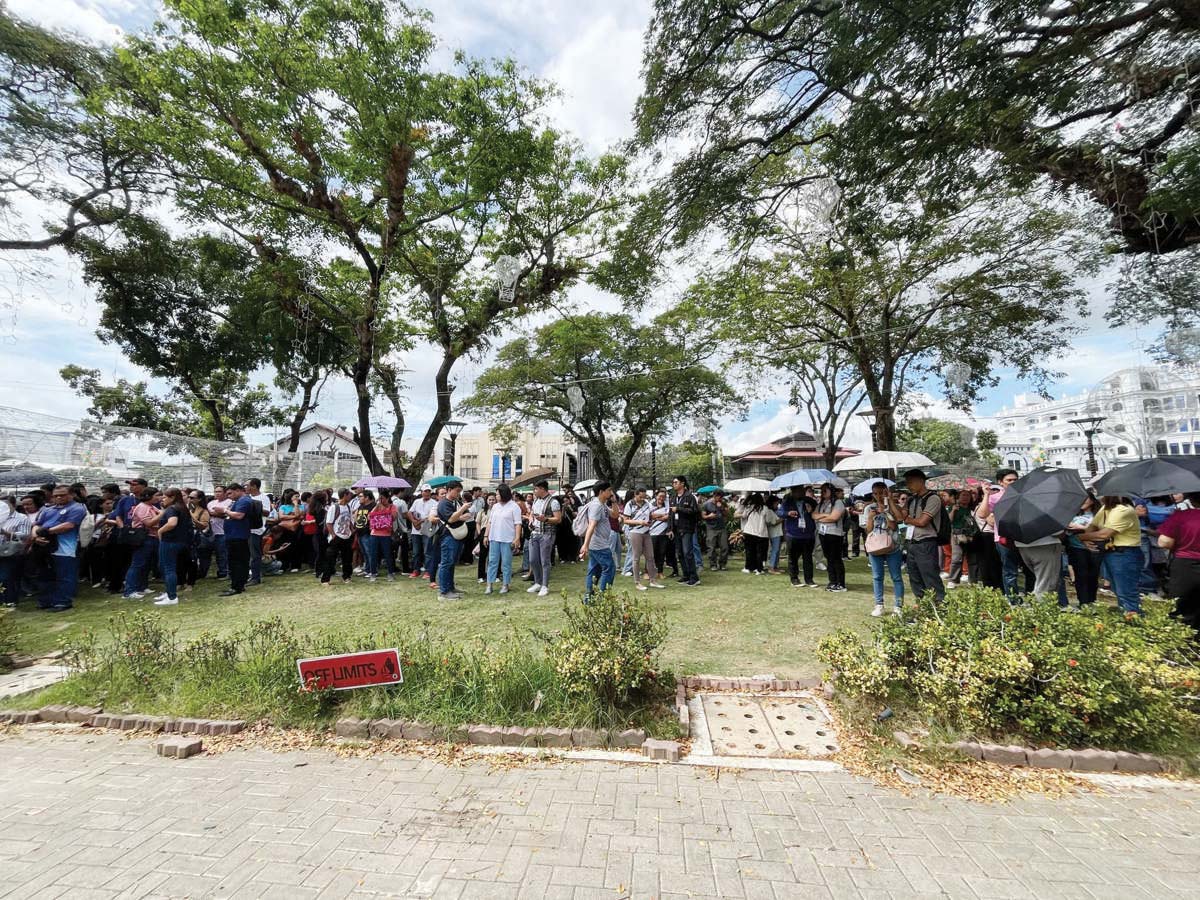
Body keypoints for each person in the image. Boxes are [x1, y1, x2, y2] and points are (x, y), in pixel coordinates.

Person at [1077, 495, 1143, 615]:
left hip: (1125, 553)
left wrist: (1080, 537)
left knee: (1126, 591)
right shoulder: (1105, 508)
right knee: (1117, 589)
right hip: (1111, 552)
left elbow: (1104, 534)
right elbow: (1093, 526)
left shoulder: (1123, 510)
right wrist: (1086, 539)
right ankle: (1126, 615)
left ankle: (1134, 617)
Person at [890, 469, 946, 604]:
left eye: (910, 482)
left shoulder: (933, 498)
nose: (908, 485)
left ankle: (939, 605)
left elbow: (922, 522)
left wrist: (907, 520)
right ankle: (921, 605)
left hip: (926, 542)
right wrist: (890, 500)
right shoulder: (911, 499)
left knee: (930, 577)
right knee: (915, 577)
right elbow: (900, 517)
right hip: (912, 543)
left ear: (921, 481)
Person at [31, 484, 87, 611]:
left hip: (65, 548)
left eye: (62, 495)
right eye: (56, 496)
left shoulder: (77, 508)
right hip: (44, 546)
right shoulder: (48, 509)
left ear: (71, 495)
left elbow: (69, 525)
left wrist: (46, 531)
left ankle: (62, 602)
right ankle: (46, 601)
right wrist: (35, 536)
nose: (59, 498)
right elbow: (36, 525)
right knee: (45, 576)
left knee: (65, 577)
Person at [977, 469, 1021, 601]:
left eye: (1015, 480)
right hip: (1004, 538)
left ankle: (1031, 597)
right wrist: (986, 495)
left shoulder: (1023, 495)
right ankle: (1013, 599)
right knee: (1010, 570)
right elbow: (982, 514)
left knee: (1028, 570)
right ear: (1000, 482)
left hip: (1024, 537)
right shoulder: (995, 497)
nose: (1013, 482)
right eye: (1009, 480)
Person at [861, 482, 904, 616]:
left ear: (886, 492)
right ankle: (879, 605)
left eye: (881, 493)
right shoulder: (869, 508)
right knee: (877, 576)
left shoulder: (893, 507)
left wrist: (885, 512)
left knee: (896, 577)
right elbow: (868, 530)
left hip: (893, 546)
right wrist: (871, 517)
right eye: (875, 493)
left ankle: (898, 607)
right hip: (875, 546)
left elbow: (895, 526)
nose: (878, 496)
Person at [1159, 494, 1200, 630]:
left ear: (1192, 499)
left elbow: (1164, 542)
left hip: (1185, 565)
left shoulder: (1181, 516)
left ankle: (1184, 638)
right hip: (1186, 563)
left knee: (1182, 607)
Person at [151, 488, 193, 606]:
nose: (162, 499)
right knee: (168, 567)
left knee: (168, 568)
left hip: (170, 542)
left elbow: (172, 523)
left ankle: (172, 597)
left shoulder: (172, 509)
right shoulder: (183, 508)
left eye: (165, 497)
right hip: (182, 542)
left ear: (173, 497)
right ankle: (169, 591)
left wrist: (160, 530)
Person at [121, 488, 161, 600]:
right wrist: (162, 514)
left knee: (146, 564)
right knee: (137, 564)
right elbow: (149, 523)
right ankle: (129, 591)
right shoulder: (142, 507)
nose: (158, 498)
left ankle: (142, 586)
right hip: (144, 538)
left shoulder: (152, 507)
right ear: (148, 496)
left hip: (153, 537)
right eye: (156, 495)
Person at [483, 483, 523, 595]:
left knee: (506, 563)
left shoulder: (514, 506)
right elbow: (490, 522)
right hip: (494, 538)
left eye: (498, 494)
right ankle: (489, 584)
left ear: (504, 494)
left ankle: (505, 584)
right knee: (492, 562)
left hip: (507, 539)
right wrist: (486, 535)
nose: (496, 496)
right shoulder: (495, 506)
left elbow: (518, 524)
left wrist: (517, 538)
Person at [580, 481, 616, 600]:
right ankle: (603, 597)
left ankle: (589, 598)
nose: (611, 493)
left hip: (598, 543)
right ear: (601, 492)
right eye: (609, 490)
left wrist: (614, 502)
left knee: (594, 571)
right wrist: (585, 545)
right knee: (609, 568)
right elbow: (591, 525)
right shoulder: (596, 506)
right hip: (599, 545)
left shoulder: (602, 504)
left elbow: (615, 515)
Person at [622, 487, 664, 591]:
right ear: (635, 495)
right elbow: (626, 520)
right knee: (636, 558)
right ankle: (637, 582)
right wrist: (639, 522)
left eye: (644, 497)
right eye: (640, 497)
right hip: (635, 532)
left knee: (650, 557)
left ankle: (653, 580)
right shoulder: (630, 504)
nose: (642, 499)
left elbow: (650, 515)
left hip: (646, 532)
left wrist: (659, 516)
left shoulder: (647, 503)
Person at [434, 481, 471, 601]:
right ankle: (444, 591)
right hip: (448, 536)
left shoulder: (456, 502)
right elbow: (450, 519)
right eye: (457, 491)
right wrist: (462, 511)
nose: (458, 494)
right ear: (449, 490)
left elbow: (466, 515)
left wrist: (460, 515)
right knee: (446, 563)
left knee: (452, 563)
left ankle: (450, 588)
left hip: (456, 536)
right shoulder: (443, 503)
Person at [1065, 493, 1101, 607]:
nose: (1083, 501)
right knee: (1081, 576)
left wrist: (1081, 528)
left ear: (1092, 500)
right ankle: (1083, 602)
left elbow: (1103, 529)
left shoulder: (1098, 514)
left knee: (1093, 576)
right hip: (1076, 548)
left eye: (1086, 498)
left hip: (1094, 548)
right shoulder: (1072, 514)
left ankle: (1091, 600)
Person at [778, 487, 817, 587]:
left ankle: (809, 580)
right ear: (793, 492)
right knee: (793, 558)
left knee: (808, 558)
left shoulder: (810, 501)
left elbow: (817, 510)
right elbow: (780, 513)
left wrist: (811, 509)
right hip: (793, 534)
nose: (801, 493)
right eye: (798, 491)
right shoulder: (787, 502)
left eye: (802, 491)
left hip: (808, 534)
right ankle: (794, 579)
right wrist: (788, 513)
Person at [528, 481, 560, 597]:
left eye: (536, 489)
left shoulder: (553, 502)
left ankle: (545, 585)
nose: (534, 491)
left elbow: (558, 519)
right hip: (535, 533)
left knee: (545, 561)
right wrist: (531, 520)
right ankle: (538, 582)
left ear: (542, 489)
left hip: (547, 533)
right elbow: (531, 513)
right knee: (533, 560)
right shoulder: (536, 500)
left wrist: (545, 519)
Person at [220, 483, 254, 596]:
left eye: (230, 493)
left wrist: (225, 510)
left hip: (238, 536)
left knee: (237, 562)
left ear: (238, 490)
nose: (229, 496)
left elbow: (239, 515)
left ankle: (237, 586)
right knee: (237, 561)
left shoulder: (244, 501)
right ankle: (239, 584)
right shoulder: (238, 501)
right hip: (234, 535)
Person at [814, 484, 847, 592]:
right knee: (829, 558)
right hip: (823, 533)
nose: (823, 493)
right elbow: (814, 515)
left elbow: (834, 517)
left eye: (825, 490)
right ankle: (832, 581)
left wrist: (821, 517)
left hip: (834, 534)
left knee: (836, 558)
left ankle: (840, 583)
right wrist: (826, 515)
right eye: (822, 491)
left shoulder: (838, 502)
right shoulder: (821, 503)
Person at [0, 498, 31, 607]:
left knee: (6, 577)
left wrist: (6, 533)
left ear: (13, 505)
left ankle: (10, 600)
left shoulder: (22, 518)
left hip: (10, 552)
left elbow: (25, 535)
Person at [670, 476, 700, 586]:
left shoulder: (689, 497)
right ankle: (686, 575)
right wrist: (670, 528)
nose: (674, 484)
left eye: (676, 482)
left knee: (688, 552)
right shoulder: (673, 497)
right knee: (680, 553)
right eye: (673, 482)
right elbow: (670, 514)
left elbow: (694, 511)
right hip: (676, 528)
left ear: (682, 483)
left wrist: (679, 509)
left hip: (687, 528)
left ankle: (694, 577)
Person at [321, 489, 355, 586]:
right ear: (344, 495)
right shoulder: (334, 507)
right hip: (336, 536)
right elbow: (329, 523)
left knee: (347, 559)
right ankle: (325, 579)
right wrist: (333, 535)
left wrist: (352, 530)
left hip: (346, 536)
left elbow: (350, 520)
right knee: (330, 558)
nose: (350, 497)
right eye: (349, 495)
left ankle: (347, 576)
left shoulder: (348, 507)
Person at [947, 490, 978, 588]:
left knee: (973, 558)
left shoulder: (972, 508)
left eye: (968, 495)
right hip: (957, 535)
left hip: (971, 535)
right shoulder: (953, 507)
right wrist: (953, 510)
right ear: (958, 497)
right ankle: (953, 580)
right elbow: (949, 521)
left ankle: (973, 580)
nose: (965, 497)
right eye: (963, 495)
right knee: (957, 558)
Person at [364, 491, 397, 582]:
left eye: (382, 498)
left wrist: (384, 509)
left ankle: (390, 573)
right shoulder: (376, 506)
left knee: (388, 554)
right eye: (379, 498)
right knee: (373, 554)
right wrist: (376, 507)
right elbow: (369, 517)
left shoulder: (392, 507)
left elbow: (394, 517)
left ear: (387, 498)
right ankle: (373, 573)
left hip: (386, 534)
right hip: (374, 534)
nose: (381, 500)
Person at [245, 478, 272, 585]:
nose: (245, 487)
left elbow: (267, 512)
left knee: (255, 554)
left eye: (247, 485)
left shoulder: (263, 498)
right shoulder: (246, 497)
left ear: (254, 486)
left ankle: (256, 577)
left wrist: (255, 506)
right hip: (245, 528)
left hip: (256, 529)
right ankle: (248, 575)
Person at [738, 492, 771, 575]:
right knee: (760, 552)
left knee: (749, 551)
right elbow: (768, 521)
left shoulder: (749, 507)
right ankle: (759, 569)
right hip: (761, 533)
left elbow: (744, 516)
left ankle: (748, 567)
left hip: (749, 531)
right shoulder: (765, 508)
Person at [408, 486, 435, 578]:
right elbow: (410, 512)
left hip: (427, 529)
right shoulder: (417, 501)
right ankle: (416, 570)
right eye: (425, 491)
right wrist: (413, 521)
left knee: (427, 551)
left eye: (428, 491)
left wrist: (419, 522)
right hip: (416, 531)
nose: (427, 493)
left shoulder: (434, 503)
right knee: (416, 552)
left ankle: (428, 571)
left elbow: (431, 516)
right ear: (421, 492)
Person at [700, 491, 729, 571]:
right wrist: (709, 516)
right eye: (718, 496)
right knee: (711, 547)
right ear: (714, 495)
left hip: (722, 528)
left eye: (721, 497)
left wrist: (721, 508)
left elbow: (727, 514)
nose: (719, 498)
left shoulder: (723, 503)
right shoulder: (706, 504)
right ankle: (713, 564)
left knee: (724, 547)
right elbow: (703, 516)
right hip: (711, 528)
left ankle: (722, 564)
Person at [650, 490, 674, 578]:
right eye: (660, 496)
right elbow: (650, 515)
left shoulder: (667, 505)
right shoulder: (650, 505)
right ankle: (648, 572)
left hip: (664, 532)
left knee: (662, 553)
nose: (661, 498)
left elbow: (668, 516)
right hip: (652, 532)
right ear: (656, 496)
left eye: (663, 496)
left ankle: (660, 572)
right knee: (652, 553)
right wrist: (662, 516)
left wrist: (657, 516)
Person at [475, 492, 495, 583]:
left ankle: (494, 574)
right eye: (490, 500)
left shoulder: (498, 510)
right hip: (483, 533)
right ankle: (481, 575)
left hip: (495, 533)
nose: (491, 501)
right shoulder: (482, 511)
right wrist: (480, 533)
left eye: (493, 500)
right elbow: (478, 523)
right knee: (483, 555)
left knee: (494, 555)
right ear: (486, 501)